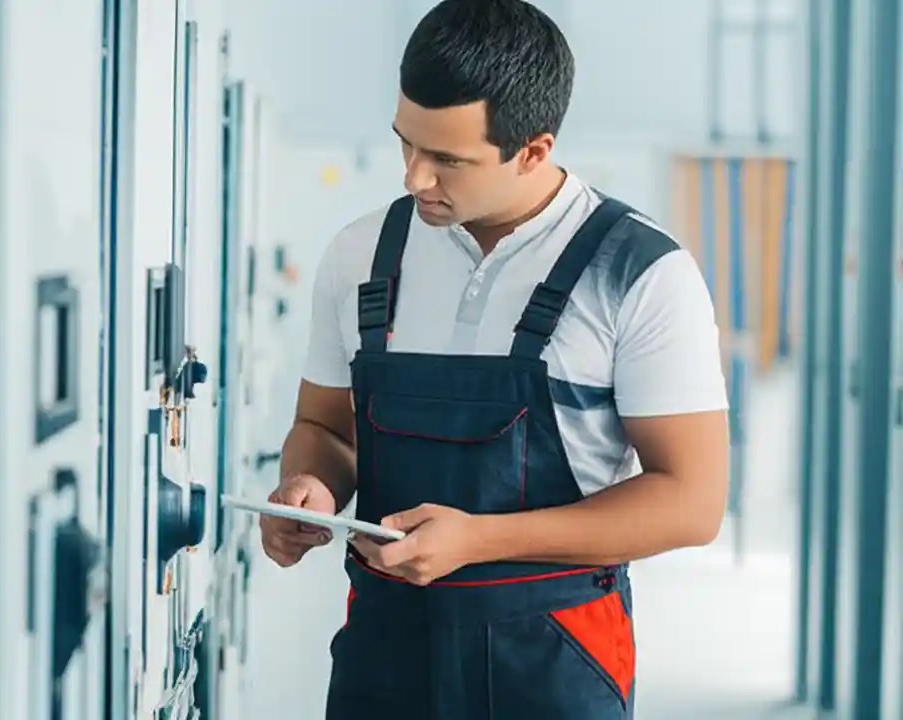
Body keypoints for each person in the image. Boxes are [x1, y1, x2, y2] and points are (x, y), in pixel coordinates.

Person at [257, 1, 731, 718]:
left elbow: (691, 502)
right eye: (405, 144)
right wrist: (311, 488)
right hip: (384, 651)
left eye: (448, 160)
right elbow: (325, 429)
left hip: (553, 658)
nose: (416, 179)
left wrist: (481, 541)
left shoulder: (640, 271)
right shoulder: (359, 254)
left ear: (534, 150)